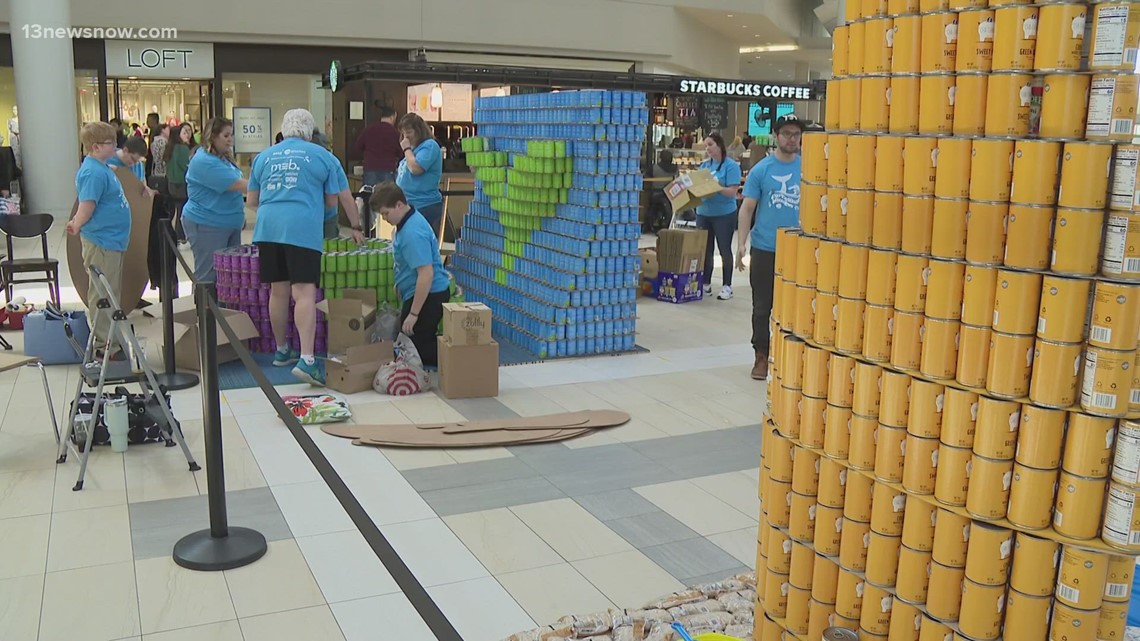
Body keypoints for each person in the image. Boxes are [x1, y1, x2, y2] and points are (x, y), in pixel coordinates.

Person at [248, 108, 364, 386]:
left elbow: (252, 200)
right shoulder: (324, 156)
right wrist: (356, 227)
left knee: (278, 292)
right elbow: (337, 200)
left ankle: (281, 350)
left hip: (268, 228)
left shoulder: (264, 156)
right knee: (304, 294)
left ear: (284, 129)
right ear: (310, 132)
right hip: (301, 229)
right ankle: (308, 360)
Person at [736, 115, 804, 380]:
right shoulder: (761, 170)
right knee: (762, 306)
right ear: (776, 135)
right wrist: (741, 244)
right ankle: (761, 355)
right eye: (786, 133)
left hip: (799, 248)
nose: (791, 139)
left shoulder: (809, 168)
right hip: (766, 248)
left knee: (796, 305)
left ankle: (789, 355)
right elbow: (747, 209)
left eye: (796, 134)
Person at [67, 122, 134, 359]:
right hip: (102, 242)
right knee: (102, 293)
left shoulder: (103, 166)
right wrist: (76, 223)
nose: (116, 146)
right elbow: (87, 205)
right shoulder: (92, 172)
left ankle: (111, 339)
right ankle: (105, 345)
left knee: (110, 290)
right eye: (111, 143)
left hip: (113, 241)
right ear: (95, 147)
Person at [370, 182, 451, 367]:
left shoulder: (413, 233)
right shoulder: (406, 221)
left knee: (414, 348)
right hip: (417, 292)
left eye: (386, 213)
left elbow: (426, 274)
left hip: (430, 295)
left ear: (399, 205)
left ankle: (460, 359)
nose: (385, 218)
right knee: (406, 340)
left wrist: (414, 313)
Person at [183, 117, 248, 283]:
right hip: (208, 224)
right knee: (209, 275)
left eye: (231, 135)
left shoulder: (222, 158)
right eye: (226, 136)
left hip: (228, 222)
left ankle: (222, 309)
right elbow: (239, 184)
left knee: (228, 276)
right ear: (213, 136)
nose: (230, 140)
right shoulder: (204, 161)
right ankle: (206, 308)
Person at [696, 133, 742, 301]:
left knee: (724, 249)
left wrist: (715, 188)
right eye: (706, 146)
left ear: (719, 145)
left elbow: (732, 192)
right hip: (703, 213)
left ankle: (727, 285)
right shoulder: (703, 166)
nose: (707, 149)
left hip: (724, 214)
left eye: (710, 145)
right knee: (705, 251)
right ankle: (705, 283)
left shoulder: (730, 166)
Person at [395, 113, 444, 236]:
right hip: (408, 204)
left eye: (409, 132)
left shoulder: (430, 146)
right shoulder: (414, 150)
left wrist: (406, 149)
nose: (406, 137)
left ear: (419, 131)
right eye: (403, 133)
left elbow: (415, 168)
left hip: (424, 205)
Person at [354, 105, 403, 189]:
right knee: (388, 196)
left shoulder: (368, 130)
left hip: (370, 167)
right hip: (388, 168)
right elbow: (401, 153)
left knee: (369, 196)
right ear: (393, 117)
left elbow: (358, 147)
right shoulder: (395, 133)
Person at [164, 123, 196, 235]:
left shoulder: (170, 148)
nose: (187, 135)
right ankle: (180, 233)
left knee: (178, 209)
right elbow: (187, 166)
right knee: (182, 209)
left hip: (171, 183)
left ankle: (177, 233)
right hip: (182, 183)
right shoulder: (183, 149)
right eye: (184, 132)